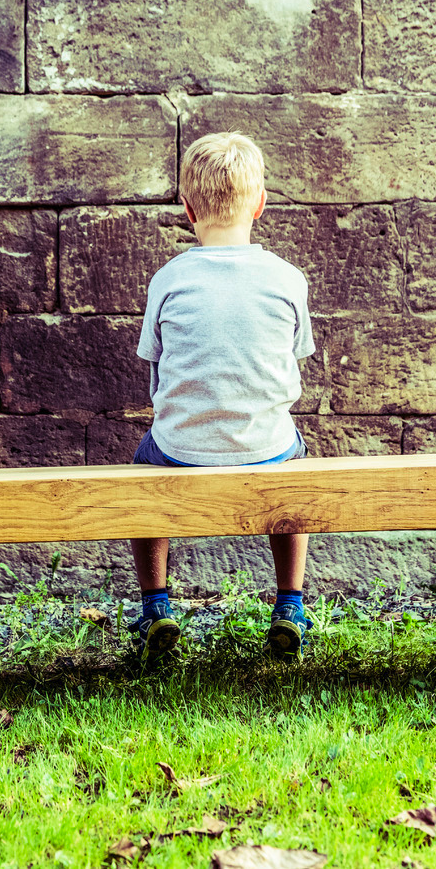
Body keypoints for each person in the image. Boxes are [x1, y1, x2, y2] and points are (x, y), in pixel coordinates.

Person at [127, 131, 316, 663]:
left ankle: (156, 606)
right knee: (295, 462)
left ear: (187, 209)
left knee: (143, 472)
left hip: (179, 451)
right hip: (268, 449)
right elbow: (291, 359)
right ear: (260, 203)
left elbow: (157, 369)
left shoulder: (168, 279)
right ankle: (289, 604)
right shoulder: (287, 278)